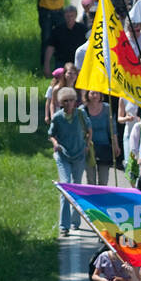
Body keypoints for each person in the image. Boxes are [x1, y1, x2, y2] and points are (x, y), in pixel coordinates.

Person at [49, 86, 90, 235]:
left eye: (71, 100)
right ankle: (64, 226)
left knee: (76, 187)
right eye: (65, 101)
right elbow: (51, 134)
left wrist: (87, 145)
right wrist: (55, 144)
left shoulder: (80, 114)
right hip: (63, 155)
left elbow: (89, 129)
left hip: (79, 154)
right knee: (65, 186)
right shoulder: (57, 117)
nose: (68, 103)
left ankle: (75, 222)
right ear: (61, 102)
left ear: (75, 101)